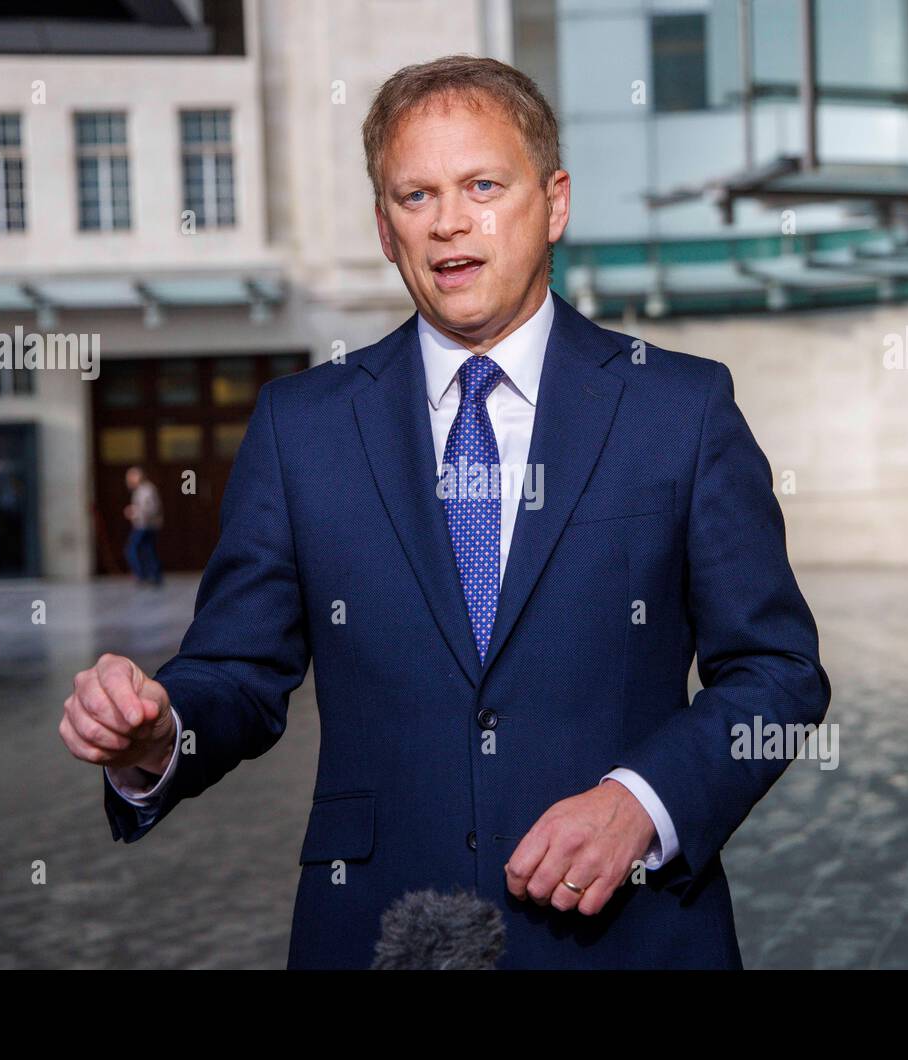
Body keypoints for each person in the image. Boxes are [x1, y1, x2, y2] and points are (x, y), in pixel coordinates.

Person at [59, 56, 830, 969]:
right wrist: (159, 735)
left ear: (555, 203)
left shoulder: (679, 409)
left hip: (630, 934)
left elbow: (778, 674)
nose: (449, 222)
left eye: (482, 185)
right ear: (386, 230)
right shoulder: (303, 426)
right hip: (380, 934)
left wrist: (643, 802)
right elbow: (236, 670)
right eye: (415, 195)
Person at [122, 466, 163, 587]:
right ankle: (153, 575)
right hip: (146, 525)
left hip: (144, 525)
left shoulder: (146, 490)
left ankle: (142, 575)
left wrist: (134, 512)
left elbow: (151, 509)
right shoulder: (142, 489)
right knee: (148, 550)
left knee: (132, 549)